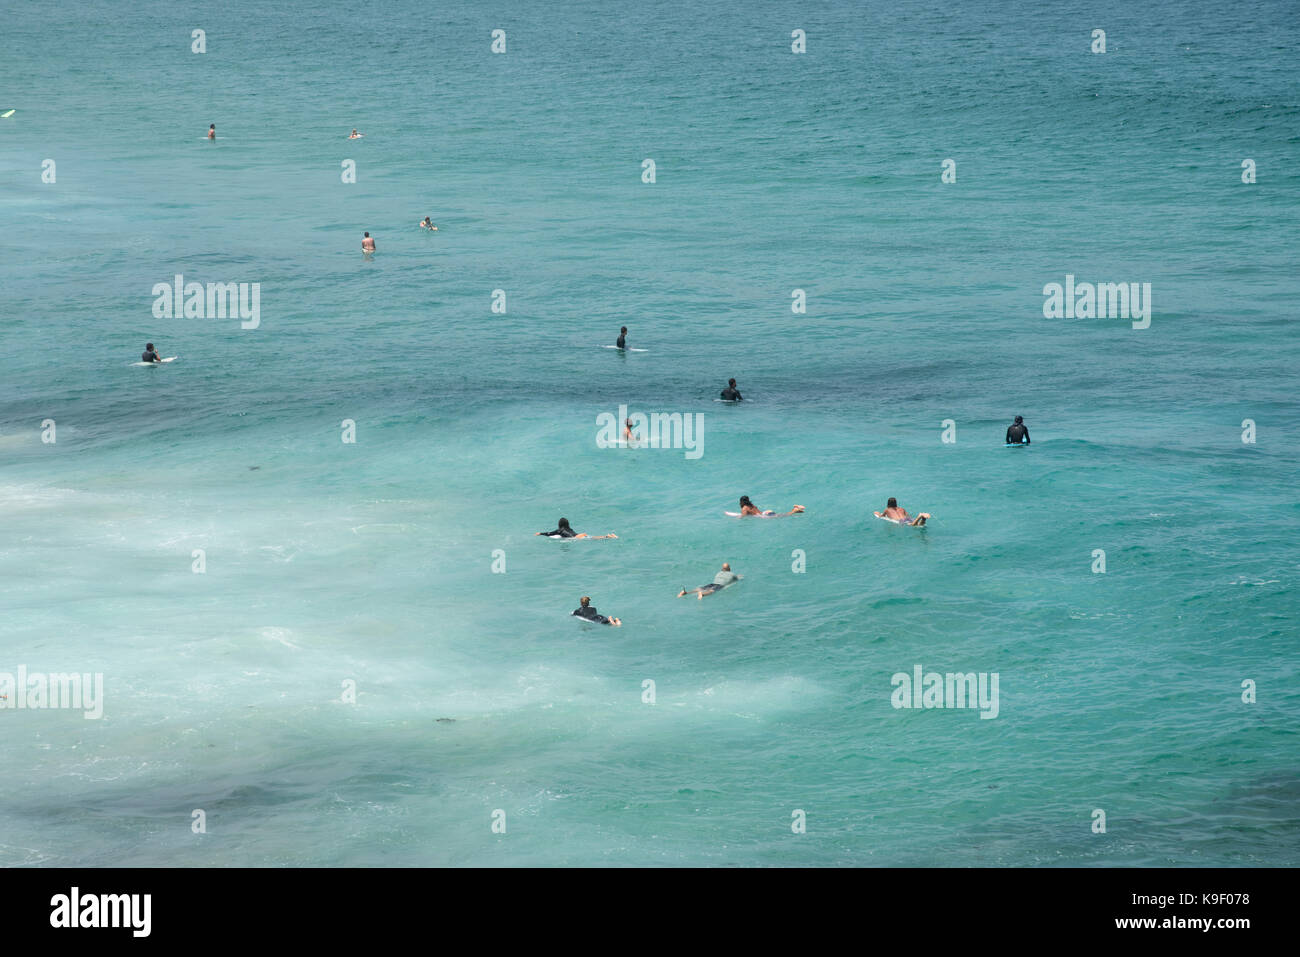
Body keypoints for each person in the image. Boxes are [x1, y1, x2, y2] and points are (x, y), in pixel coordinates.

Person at [535, 517, 617, 540]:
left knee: (593, 538)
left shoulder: (560, 530)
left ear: (560, 524)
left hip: (576, 537)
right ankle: (608, 536)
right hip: (580, 535)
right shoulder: (569, 529)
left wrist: (540, 533)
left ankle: (608, 537)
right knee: (593, 538)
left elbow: (549, 533)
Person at [738, 495, 804, 517]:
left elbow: (743, 516)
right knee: (781, 515)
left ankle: (794, 510)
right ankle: (795, 509)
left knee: (783, 516)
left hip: (765, 516)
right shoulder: (751, 505)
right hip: (766, 512)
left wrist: (738, 518)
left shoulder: (744, 508)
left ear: (742, 502)